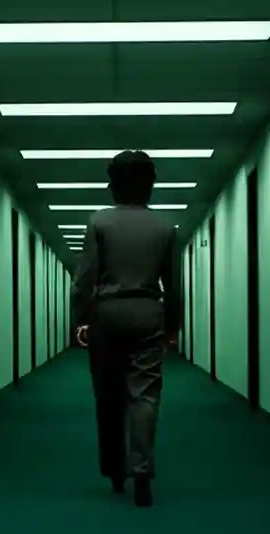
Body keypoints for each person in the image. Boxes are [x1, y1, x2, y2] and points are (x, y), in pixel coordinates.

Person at [71, 150, 182, 508]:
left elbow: (84, 280)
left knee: (108, 397)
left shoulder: (99, 222)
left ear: (114, 184)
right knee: (145, 395)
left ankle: (116, 472)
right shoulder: (165, 228)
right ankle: (143, 472)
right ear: (150, 185)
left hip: (108, 315)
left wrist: (81, 318)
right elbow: (174, 285)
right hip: (149, 312)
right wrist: (172, 326)